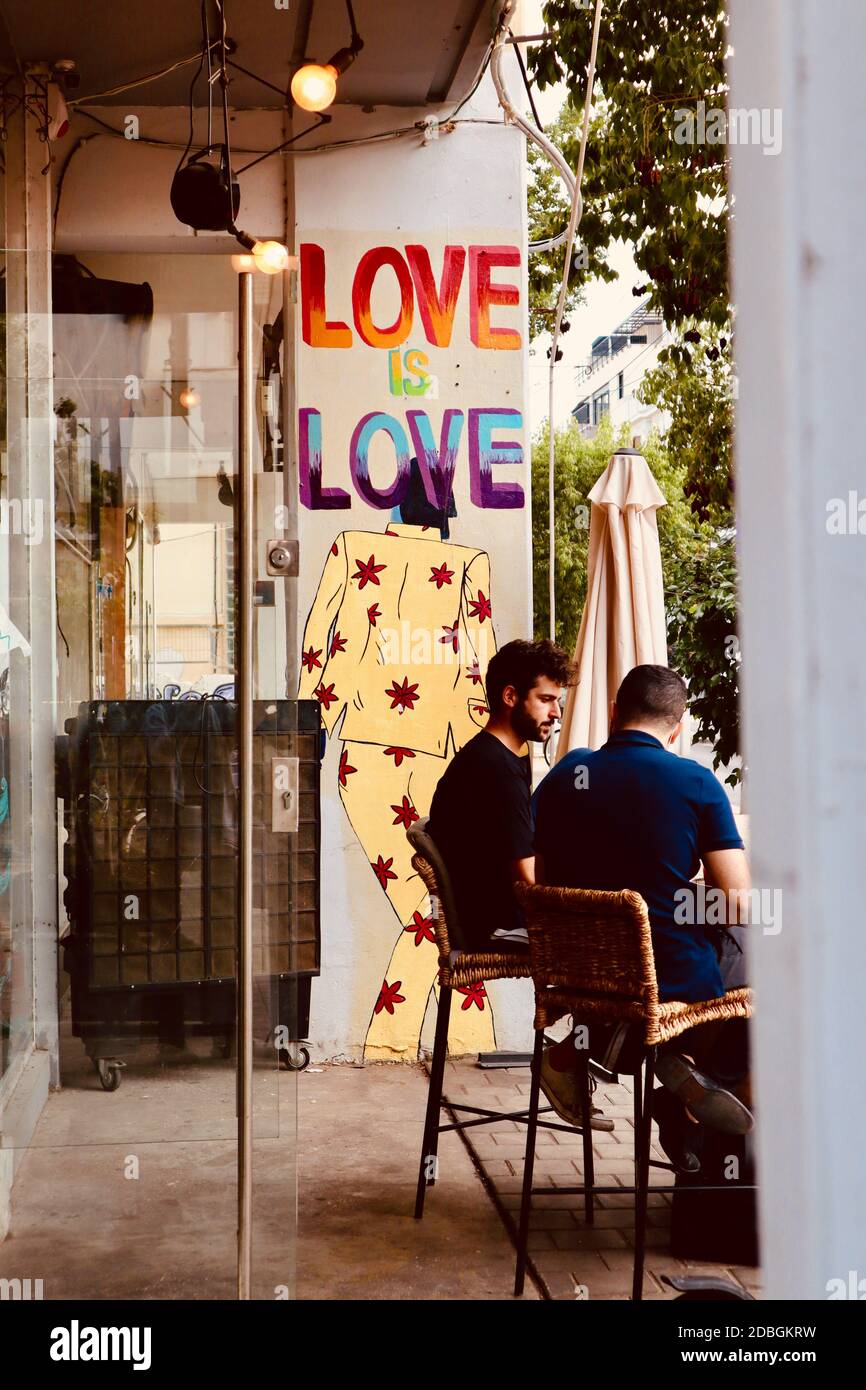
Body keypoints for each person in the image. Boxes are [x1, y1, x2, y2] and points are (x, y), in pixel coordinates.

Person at [533, 663, 753, 1169]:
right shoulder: (695, 781)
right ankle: (698, 1075)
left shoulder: (568, 772)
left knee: (665, 961)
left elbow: (545, 878)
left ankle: (583, 1054)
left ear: (614, 713)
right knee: (759, 949)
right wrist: (688, 895)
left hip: (580, 973)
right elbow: (737, 899)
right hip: (665, 976)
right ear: (676, 729)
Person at [428, 639, 616, 1133]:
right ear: (510, 697)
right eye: (547, 699)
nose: (555, 711)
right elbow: (527, 884)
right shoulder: (496, 769)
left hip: (494, 914)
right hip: (493, 927)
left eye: (558, 700)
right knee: (629, 954)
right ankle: (563, 1062)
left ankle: (570, 1057)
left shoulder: (500, 756)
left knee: (631, 943)